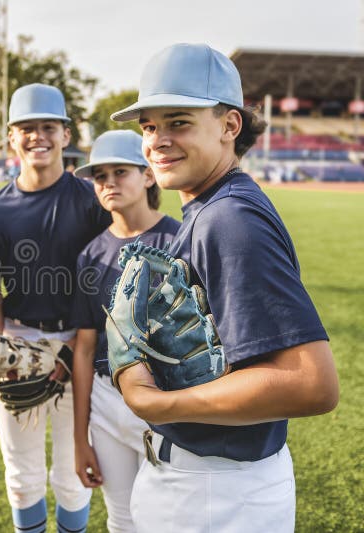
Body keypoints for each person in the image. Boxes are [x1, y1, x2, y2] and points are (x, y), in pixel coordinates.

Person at [108, 43, 338, 532]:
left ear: (230, 126)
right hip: (209, 482)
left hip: (215, 491)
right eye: (149, 126)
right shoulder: (211, 207)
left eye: (179, 122)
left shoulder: (228, 219)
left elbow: (312, 383)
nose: (157, 141)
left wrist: (155, 403)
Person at [0, 83, 112, 533]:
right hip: (22, 342)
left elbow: (109, 281)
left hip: (81, 343)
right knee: (22, 475)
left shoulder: (92, 200)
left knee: (75, 476)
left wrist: (81, 347)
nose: (39, 137)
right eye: (27, 129)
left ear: (66, 136)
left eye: (48, 127)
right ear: (12, 137)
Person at [70, 130, 180, 532]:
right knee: (121, 518)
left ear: (149, 175)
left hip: (165, 399)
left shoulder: (179, 239)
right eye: (100, 175)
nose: (109, 182)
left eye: (121, 171)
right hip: (106, 400)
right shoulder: (91, 253)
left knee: (166, 518)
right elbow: (83, 349)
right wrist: (79, 436)